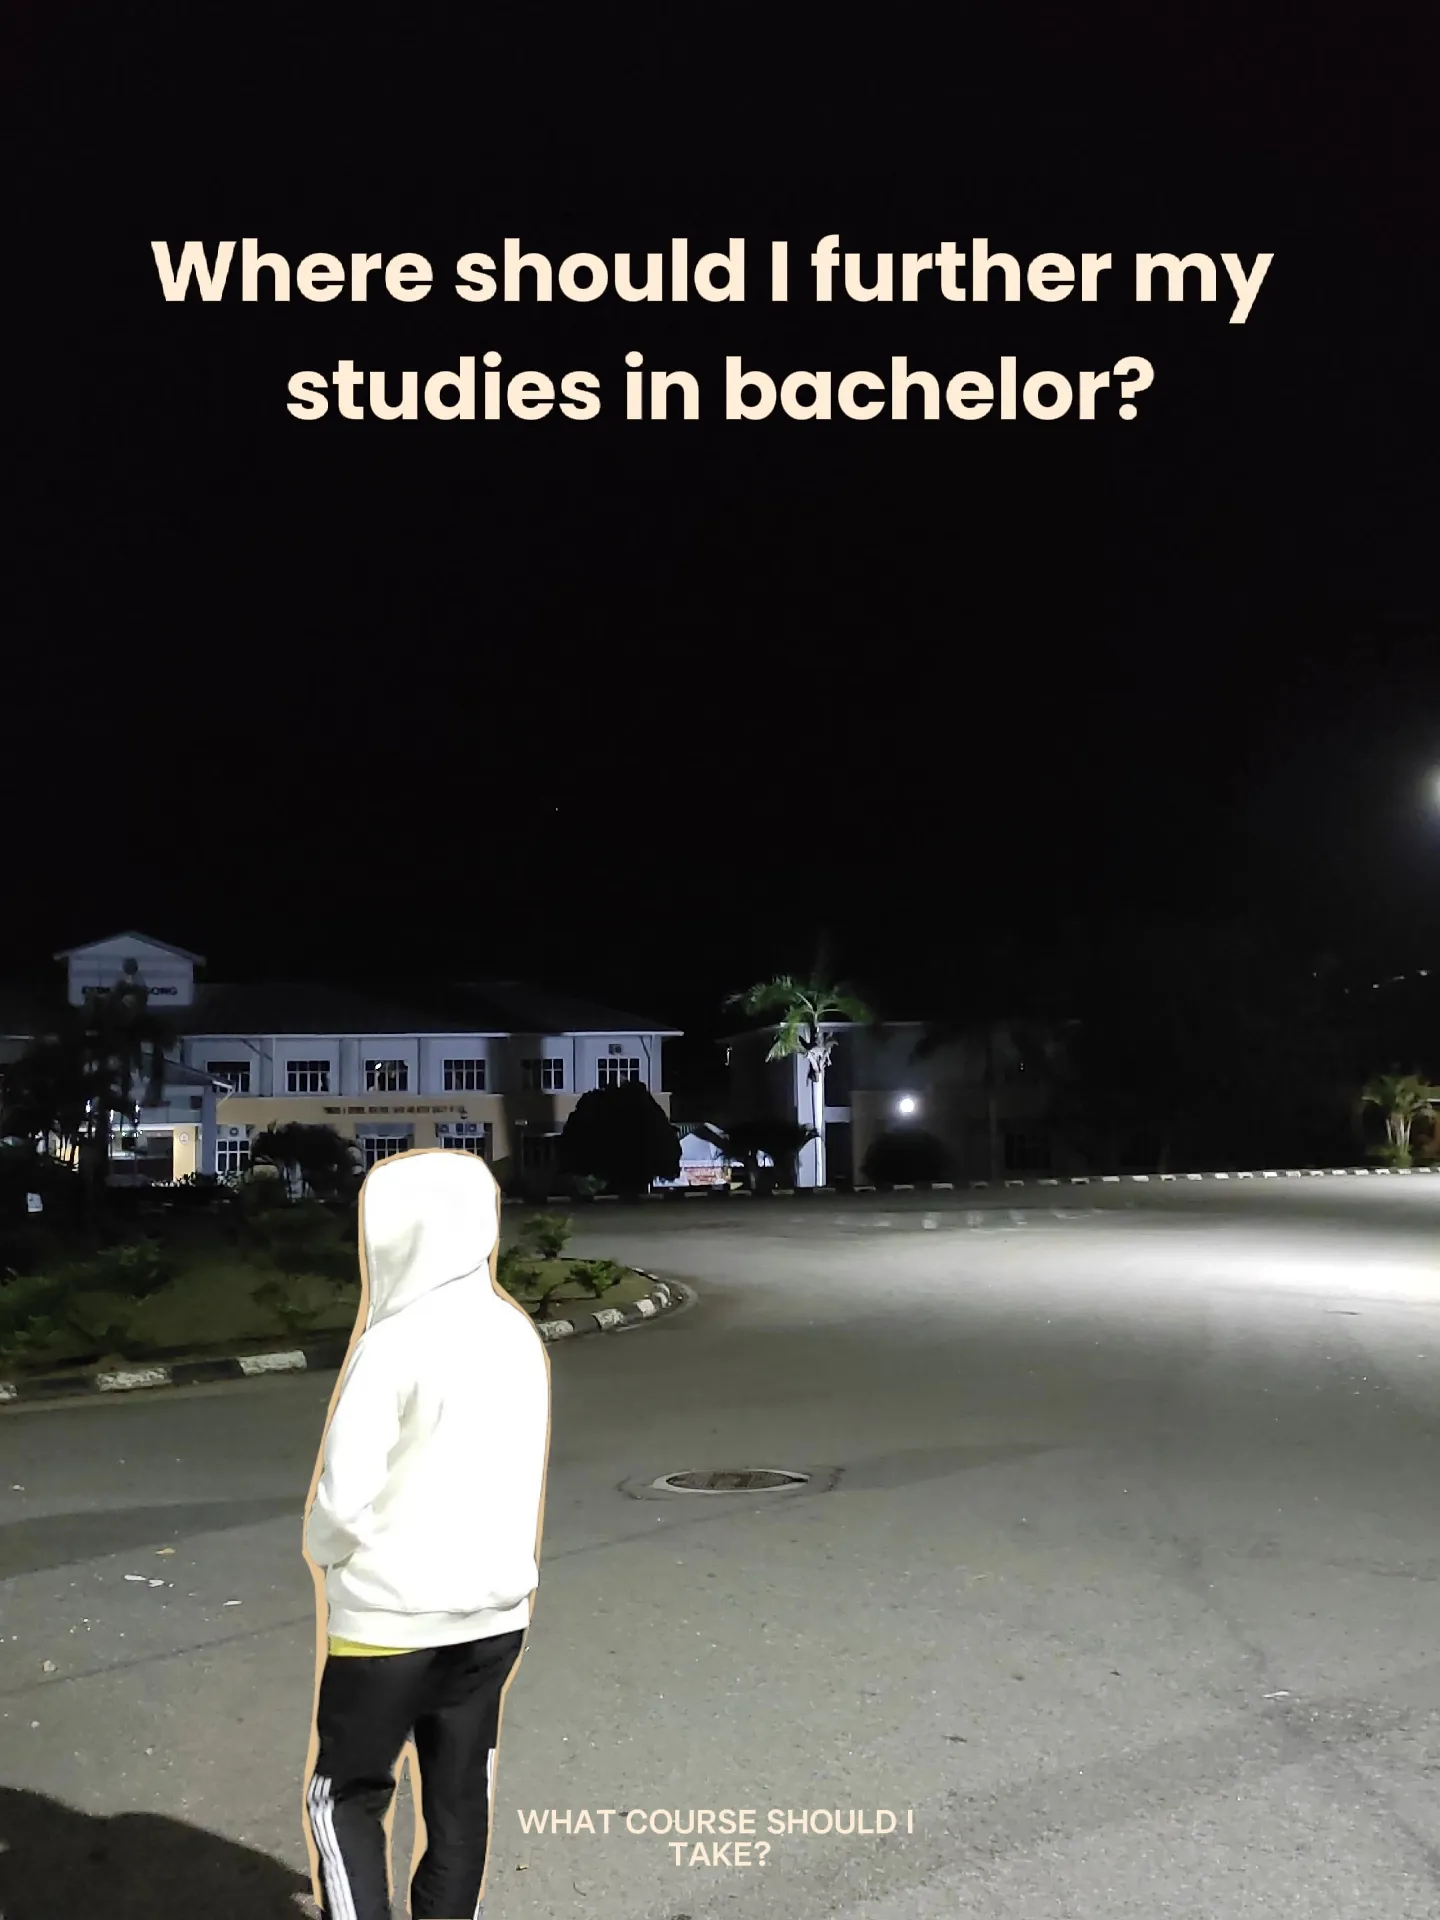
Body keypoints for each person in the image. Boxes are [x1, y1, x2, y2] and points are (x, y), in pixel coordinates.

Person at [301, 1146, 551, 1920]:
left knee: (345, 1798)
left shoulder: (393, 1344)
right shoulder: (515, 1334)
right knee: (459, 1800)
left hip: (388, 1623)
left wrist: (325, 1553)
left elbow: (342, 1504)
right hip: (493, 1617)